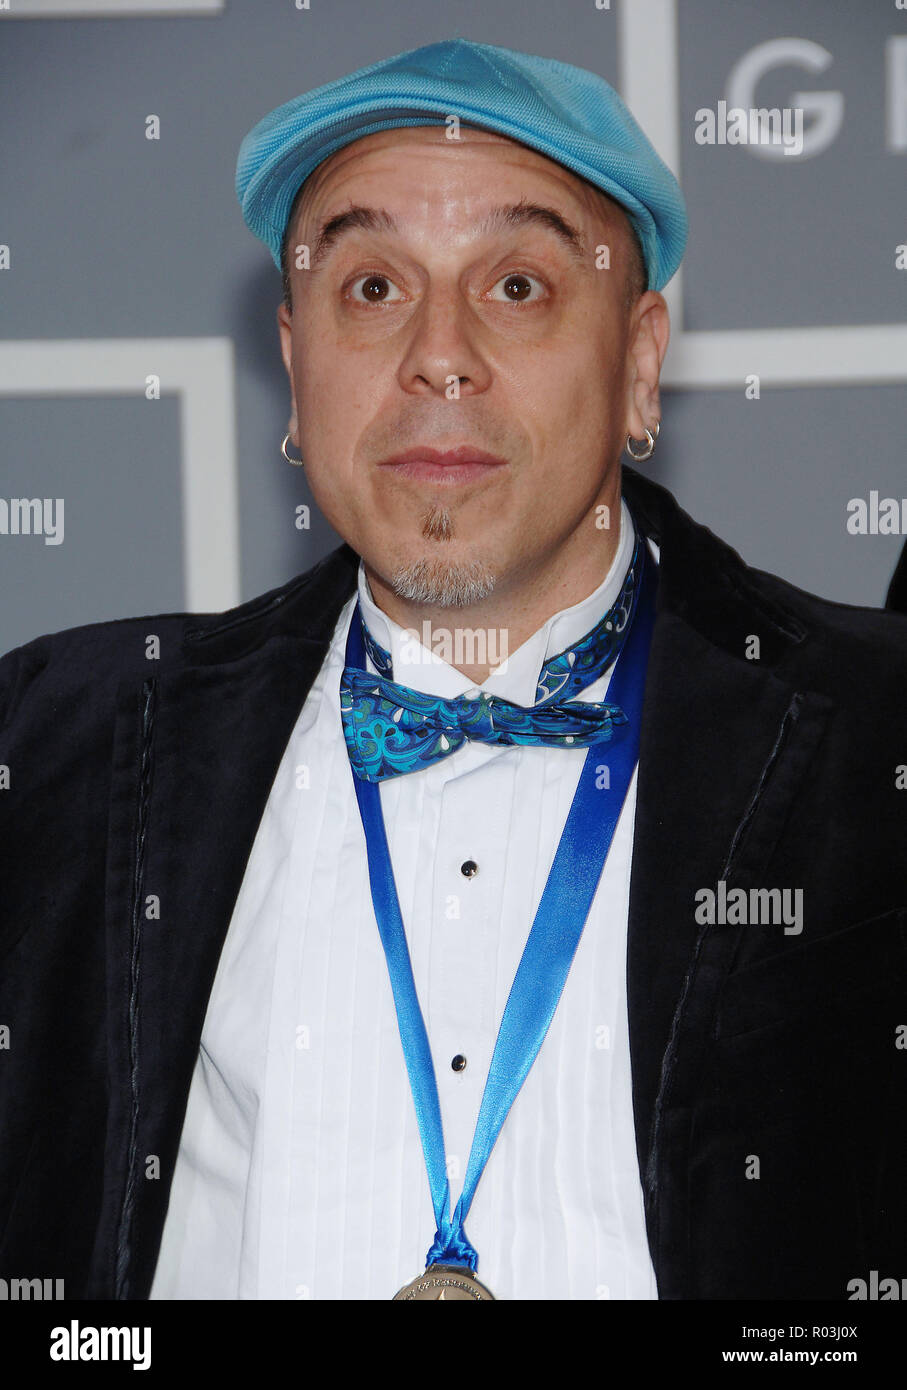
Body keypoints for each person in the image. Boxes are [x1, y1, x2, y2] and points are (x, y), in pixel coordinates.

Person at [1, 39, 904, 1302]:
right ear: (294, 362)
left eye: (520, 285)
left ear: (641, 364)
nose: (438, 354)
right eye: (370, 287)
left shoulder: (877, 735)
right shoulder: (54, 745)